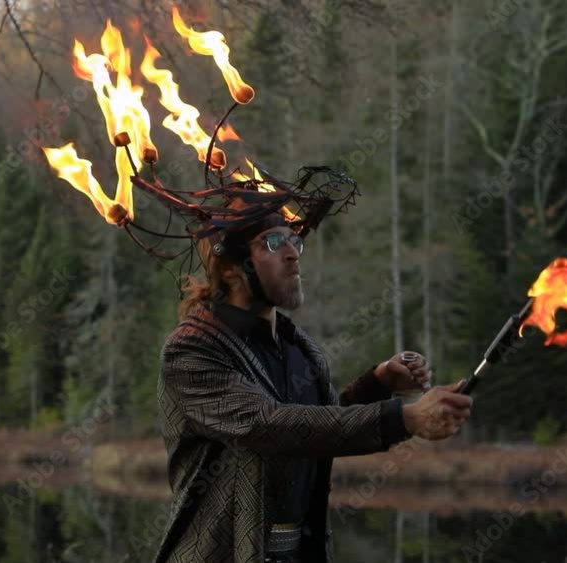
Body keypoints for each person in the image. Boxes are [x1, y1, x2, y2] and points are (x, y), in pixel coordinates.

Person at [151, 200, 472, 563]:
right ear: (230, 270)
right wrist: (404, 418)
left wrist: (378, 383)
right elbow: (266, 425)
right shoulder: (192, 349)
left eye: (294, 242)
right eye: (273, 243)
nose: (292, 254)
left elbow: (315, 429)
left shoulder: (298, 348)